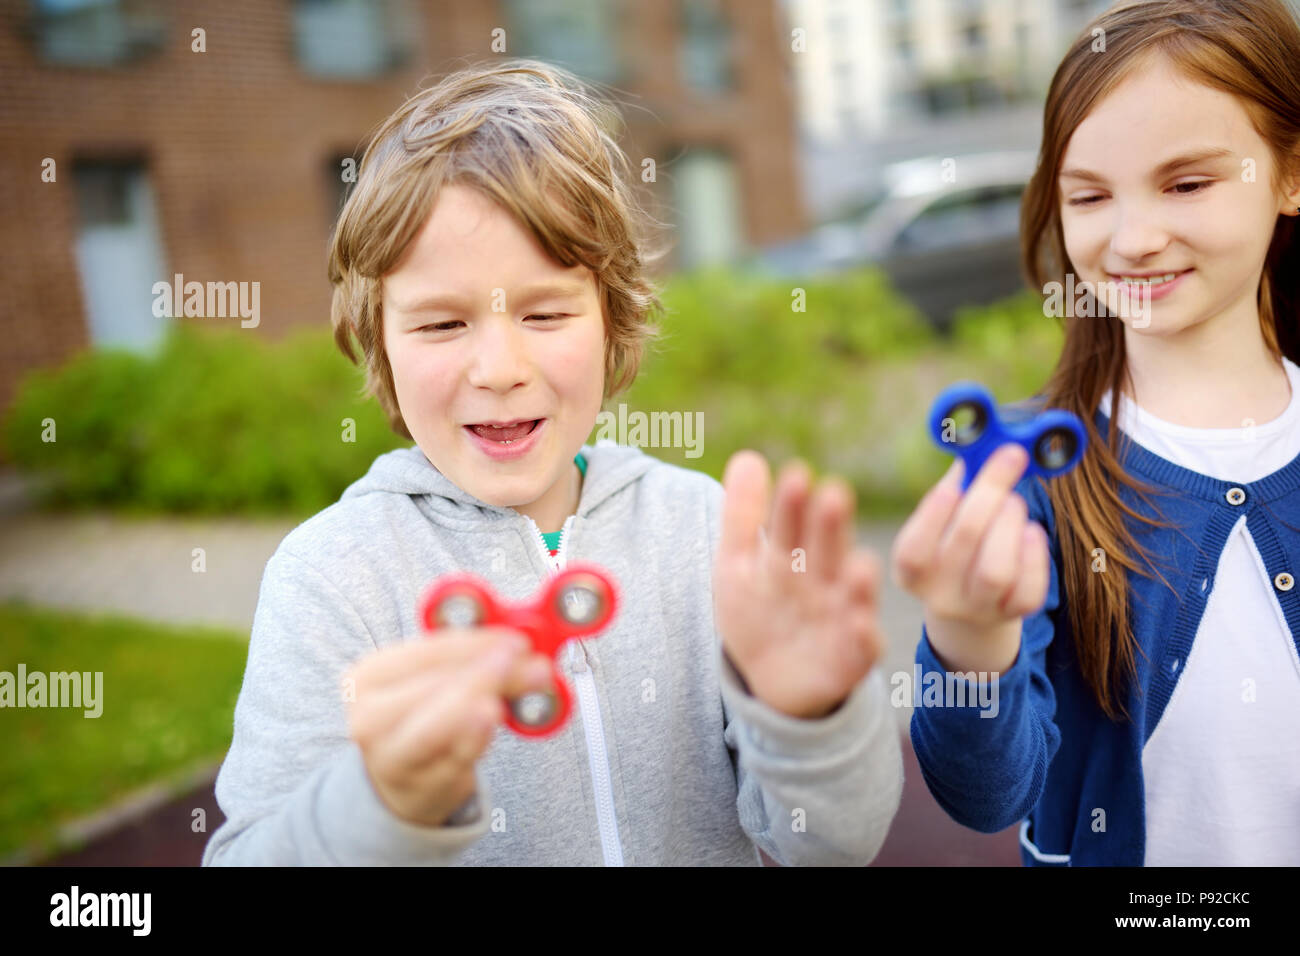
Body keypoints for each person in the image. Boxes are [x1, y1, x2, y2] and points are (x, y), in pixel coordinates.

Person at [202, 60, 903, 866]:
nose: (499, 368)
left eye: (543, 312)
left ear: (614, 321)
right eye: (440, 326)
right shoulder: (330, 580)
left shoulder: (701, 531)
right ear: (380, 343)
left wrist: (813, 720)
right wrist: (383, 806)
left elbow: (838, 846)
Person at [893, 0, 1300, 866]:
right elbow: (987, 798)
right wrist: (968, 639)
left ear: (1291, 174)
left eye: (1187, 183)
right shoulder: (1033, 479)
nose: (1134, 239)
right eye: (1089, 196)